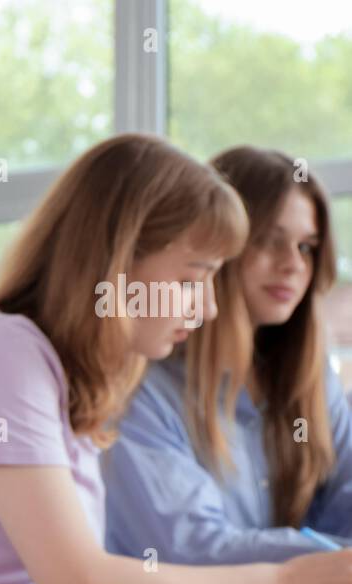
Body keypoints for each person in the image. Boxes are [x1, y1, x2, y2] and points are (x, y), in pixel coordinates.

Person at [0, 134, 352, 584]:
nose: (207, 309)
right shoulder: (3, 350)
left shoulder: (75, 373)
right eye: (191, 279)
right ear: (117, 265)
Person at [106, 147, 352, 561]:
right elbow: (192, 549)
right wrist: (328, 558)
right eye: (270, 241)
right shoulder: (143, 387)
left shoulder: (313, 380)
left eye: (306, 247)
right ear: (216, 247)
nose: (293, 265)